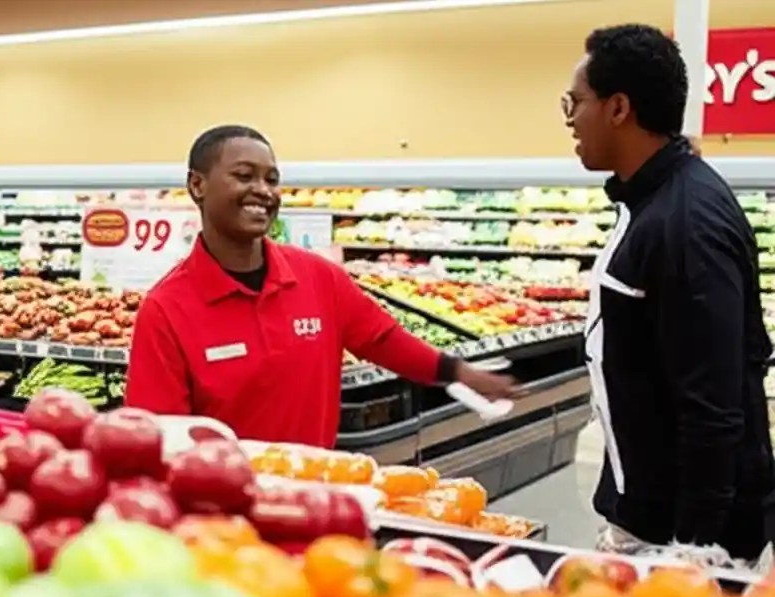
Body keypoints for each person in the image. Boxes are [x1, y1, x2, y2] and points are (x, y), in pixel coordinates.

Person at [125, 125, 518, 449]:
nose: (263, 190)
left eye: (272, 179)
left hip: (312, 500)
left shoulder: (317, 278)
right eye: (244, 176)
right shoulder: (166, 309)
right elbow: (160, 436)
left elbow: (382, 339)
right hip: (221, 520)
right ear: (197, 185)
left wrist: (458, 372)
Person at [567, 24, 775, 564]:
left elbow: (714, 404)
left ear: (618, 108)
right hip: (648, 511)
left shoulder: (687, 225)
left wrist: (694, 548)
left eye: (575, 101)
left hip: (684, 534)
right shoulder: (653, 197)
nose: (569, 117)